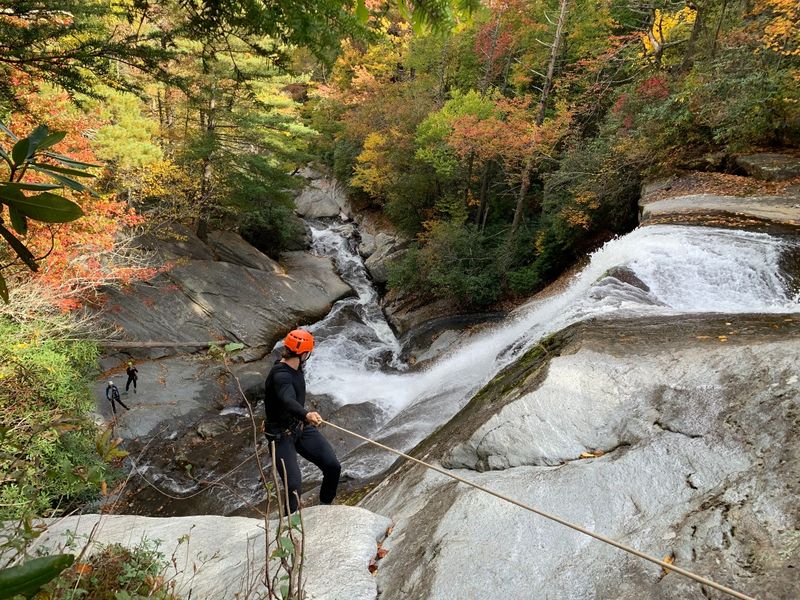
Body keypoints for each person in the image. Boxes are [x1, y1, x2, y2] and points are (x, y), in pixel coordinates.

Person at [264, 329, 340, 513]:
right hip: (280, 435)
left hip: (299, 428)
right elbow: (287, 399)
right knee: (294, 486)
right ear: (304, 354)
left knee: (332, 466)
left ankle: (325, 507)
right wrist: (306, 414)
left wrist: (303, 419)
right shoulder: (281, 375)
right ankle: (291, 526)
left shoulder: (295, 367)